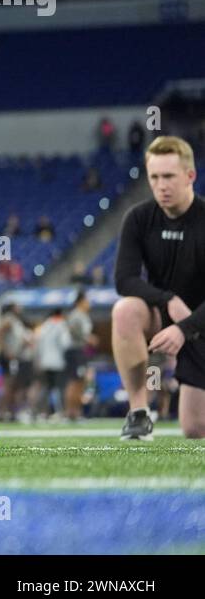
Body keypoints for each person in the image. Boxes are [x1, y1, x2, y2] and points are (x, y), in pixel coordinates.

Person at [112, 136, 205, 440]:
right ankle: (139, 413)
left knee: (195, 428)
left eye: (169, 176)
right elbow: (124, 279)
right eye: (154, 177)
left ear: (190, 176)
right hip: (164, 314)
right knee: (125, 310)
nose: (161, 185)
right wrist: (169, 300)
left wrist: (185, 327)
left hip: (200, 320)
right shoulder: (139, 219)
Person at [33, 309, 71, 419]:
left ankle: (41, 411)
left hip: (45, 361)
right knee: (60, 387)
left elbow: (38, 344)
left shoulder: (44, 326)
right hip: (58, 361)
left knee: (47, 388)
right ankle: (61, 411)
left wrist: (39, 360)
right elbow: (66, 343)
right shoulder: (61, 325)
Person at [63, 291, 94, 421]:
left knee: (80, 381)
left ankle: (76, 412)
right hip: (75, 350)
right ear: (80, 301)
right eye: (86, 300)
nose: (89, 303)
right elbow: (72, 329)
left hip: (79, 351)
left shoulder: (82, 315)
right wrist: (87, 339)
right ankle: (71, 412)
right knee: (75, 381)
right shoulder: (76, 314)